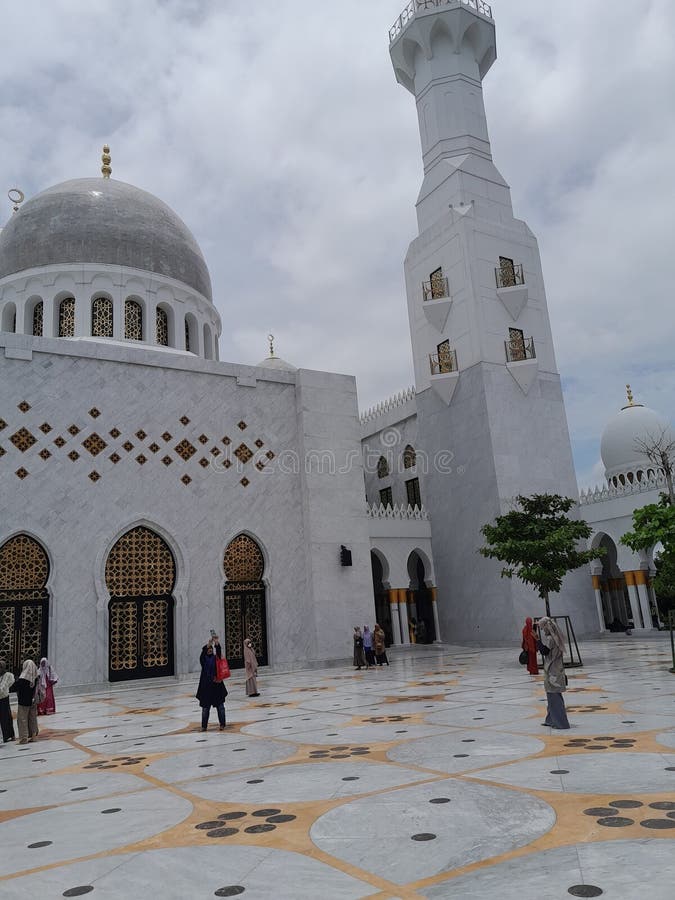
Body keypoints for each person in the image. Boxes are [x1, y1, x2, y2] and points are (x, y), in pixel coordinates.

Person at [536, 617, 569, 729]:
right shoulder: (556, 637)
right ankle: (550, 719)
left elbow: (545, 651)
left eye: (542, 628)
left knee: (554, 697)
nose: (543, 631)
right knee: (552, 696)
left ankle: (560, 723)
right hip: (556, 669)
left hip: (553, 671)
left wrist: (537, 640)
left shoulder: (551, 639)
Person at [196, 636, 228, 731]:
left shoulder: (216, 658)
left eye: (211, 649)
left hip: (216, 685)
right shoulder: (204, 660)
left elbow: (218, 652)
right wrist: (209, 643)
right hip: (206, 687)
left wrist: (216, 643)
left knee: (220, 707)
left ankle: (222, 724)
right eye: (208, 649)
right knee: (205, 709)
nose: (210, 650)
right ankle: (204, 726)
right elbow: (202, 655)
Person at [11, 659, 39, 744]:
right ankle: (33, 736)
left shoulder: (23, 678)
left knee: (22, 719)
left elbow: (15, 687)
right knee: (32, 718)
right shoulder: (35, 677)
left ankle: (23, 738)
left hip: (23, 701)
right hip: (33, 700)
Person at [0, 660, 15, 742]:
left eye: (1, 667)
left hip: (4, 698)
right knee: (2, 718)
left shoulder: (8, 675)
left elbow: (5, 687)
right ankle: (5, 736)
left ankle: (11, 735)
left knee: (7, 717)